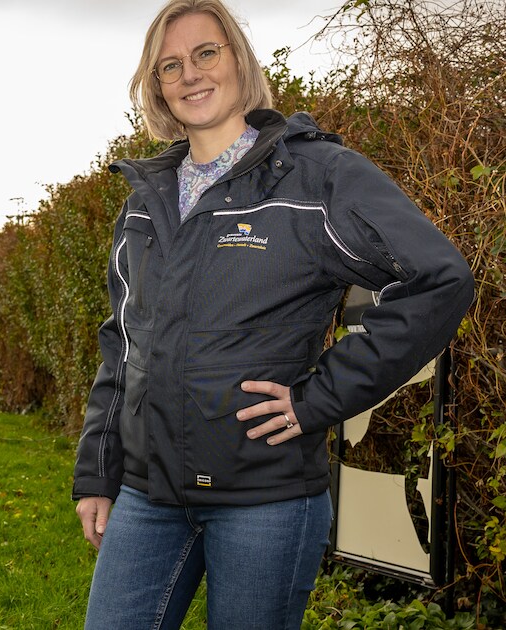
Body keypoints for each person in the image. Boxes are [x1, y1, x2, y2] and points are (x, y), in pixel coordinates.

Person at [72, 0, 473, 627]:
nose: (190, 74)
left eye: (206, 53)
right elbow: (122, 347)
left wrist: (318, 400)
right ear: (157, 88)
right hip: (148, 496)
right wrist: (98, 474)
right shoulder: (142, 205)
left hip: (265, 502)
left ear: (238, 59)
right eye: (169, 66)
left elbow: (438, 279)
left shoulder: (315, 178)